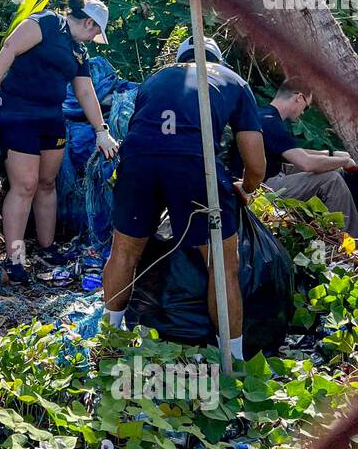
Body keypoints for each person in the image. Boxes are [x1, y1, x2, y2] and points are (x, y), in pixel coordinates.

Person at [102, 36, 267, 362]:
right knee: (221, 265)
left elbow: (145, 131)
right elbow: (257, 164)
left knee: (123, 252)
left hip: (137, 162)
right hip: (194, 164)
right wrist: (245, 189)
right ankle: (231, 359)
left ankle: (109, 340)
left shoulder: (156, 78)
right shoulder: (233, 81)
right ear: (218, 60)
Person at [0, 0, 118, 285]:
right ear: (90, 24)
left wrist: (101, 131)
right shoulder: (48, 23)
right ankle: (15, 258)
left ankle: (47, 246)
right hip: (19, 112)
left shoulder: (80, 51)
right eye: (95, 33)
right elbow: (10, 46)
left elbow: (85, 91)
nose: (93, 39)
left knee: (47, 183)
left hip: (51, 116)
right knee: (24, 185)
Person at [242, 77, 358, 234]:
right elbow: (306, 163)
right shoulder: (271, 122)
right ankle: (349, 244)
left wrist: (332, 154)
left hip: (270, 175)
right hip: (261, 187)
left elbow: (294, 152)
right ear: (299, 98)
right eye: (306, 107)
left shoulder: (265, 115)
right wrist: (344, 160)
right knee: (331, 180)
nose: (303, 112)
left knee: (334, 171)